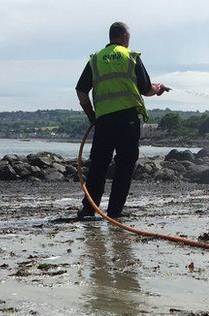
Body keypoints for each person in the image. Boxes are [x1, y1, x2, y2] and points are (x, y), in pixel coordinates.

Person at [75, 21, 169, 219]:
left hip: (104, 121)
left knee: (99, 165)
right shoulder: (130, 57)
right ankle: (115, 211)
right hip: (128, 120)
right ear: (125, 37)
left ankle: (89, 209)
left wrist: (92, 117)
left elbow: (81, 92)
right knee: (125, 165)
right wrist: (158, 88)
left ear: (111, 37)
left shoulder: (96, 59)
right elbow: (145, 89)